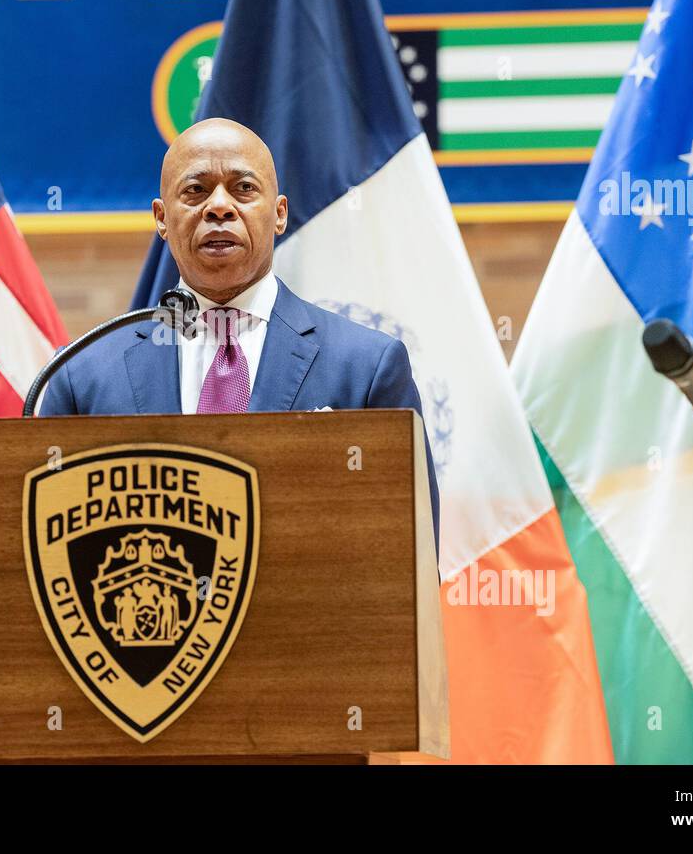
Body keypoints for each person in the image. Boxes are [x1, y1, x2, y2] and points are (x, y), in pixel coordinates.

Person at [39, 117, 438, 540]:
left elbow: (411, 549)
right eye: (195, 190)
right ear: (161, 217)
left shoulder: (366, 367)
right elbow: (50, 540)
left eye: (244, 189)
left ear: (280, 213)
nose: (219, 207)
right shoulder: (83, 375)